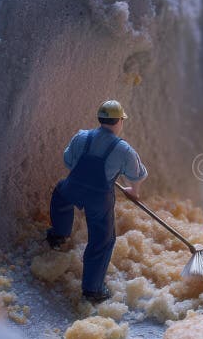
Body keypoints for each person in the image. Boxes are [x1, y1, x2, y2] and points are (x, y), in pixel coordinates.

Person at [46, 100, 148, 303]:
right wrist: (133, 192)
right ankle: (93, 290)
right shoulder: (124, 150)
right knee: (102, 240)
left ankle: (58, 236)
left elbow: (68, 161)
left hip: (73, 186)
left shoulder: (81, 136)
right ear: (119, 121)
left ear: (100, 120)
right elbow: (136, 175)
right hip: (99, 199)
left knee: (60, 196)